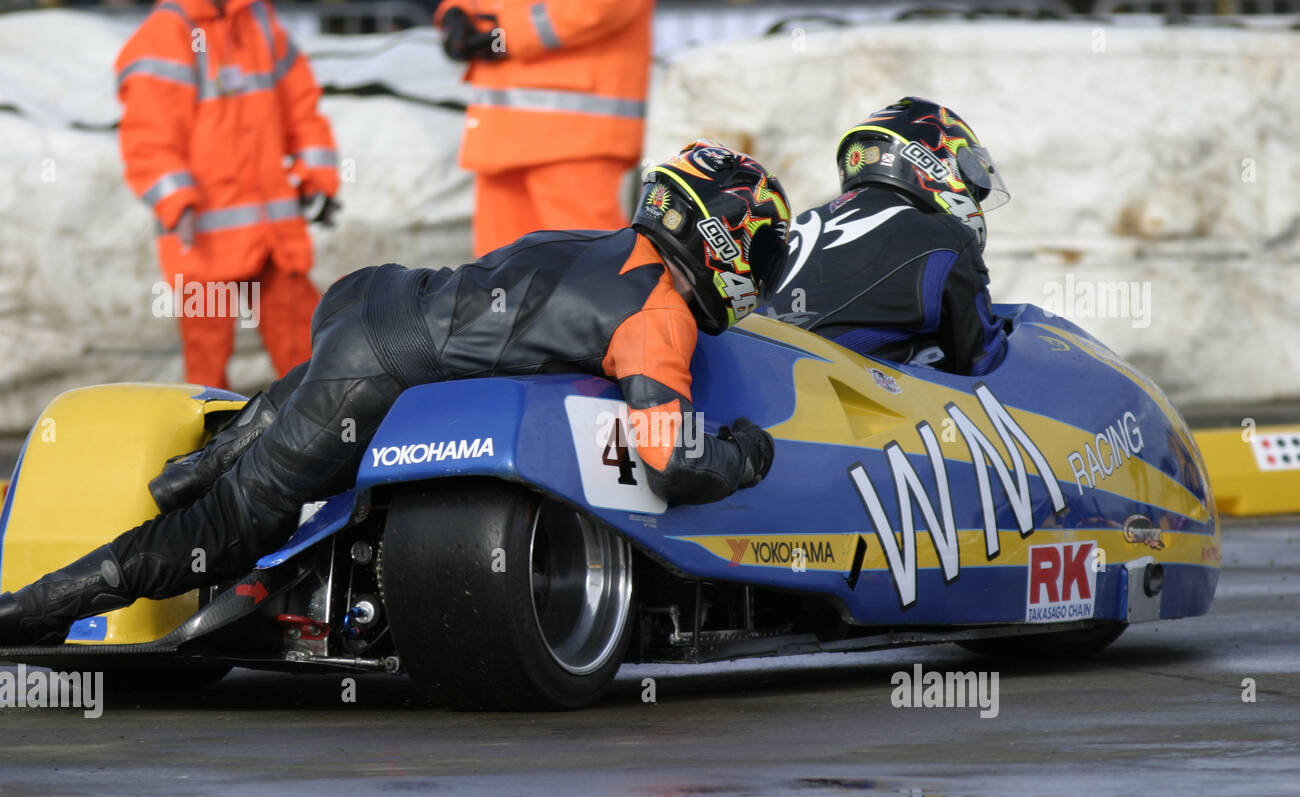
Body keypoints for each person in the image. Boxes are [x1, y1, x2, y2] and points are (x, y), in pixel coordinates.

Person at [0, 143, 788, 648]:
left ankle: (206, 460)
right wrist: (745, 456)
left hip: (367, 300)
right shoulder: (659, 317)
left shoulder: (592, 237)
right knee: (231, 526)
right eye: (761, 248)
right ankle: (25, 615)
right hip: (377, 367)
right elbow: (668, 460)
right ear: (725, 239)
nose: (761, 267)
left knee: (284, 437)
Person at [115, 0, 340, 388]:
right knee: (207, 375)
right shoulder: (165, 34)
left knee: (310, 358)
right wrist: (176, 203)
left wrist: (316, 178)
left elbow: (301, 108)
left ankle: (325, 442)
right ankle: (208, 447)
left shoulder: (259, 21)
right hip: (204, 240)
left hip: (272, 238)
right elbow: (147, 138)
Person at [765, 96, 1009, 376]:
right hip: (825, 393)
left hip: (748, 378)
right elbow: (984, 363)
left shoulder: (797, 224)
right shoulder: (947, 237)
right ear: (930, 159)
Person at [434, 0, 654, 256]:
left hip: (574, 135)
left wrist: (507, 36)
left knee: (591, 275)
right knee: (500, 274)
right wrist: (453, 12)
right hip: (500, 135)